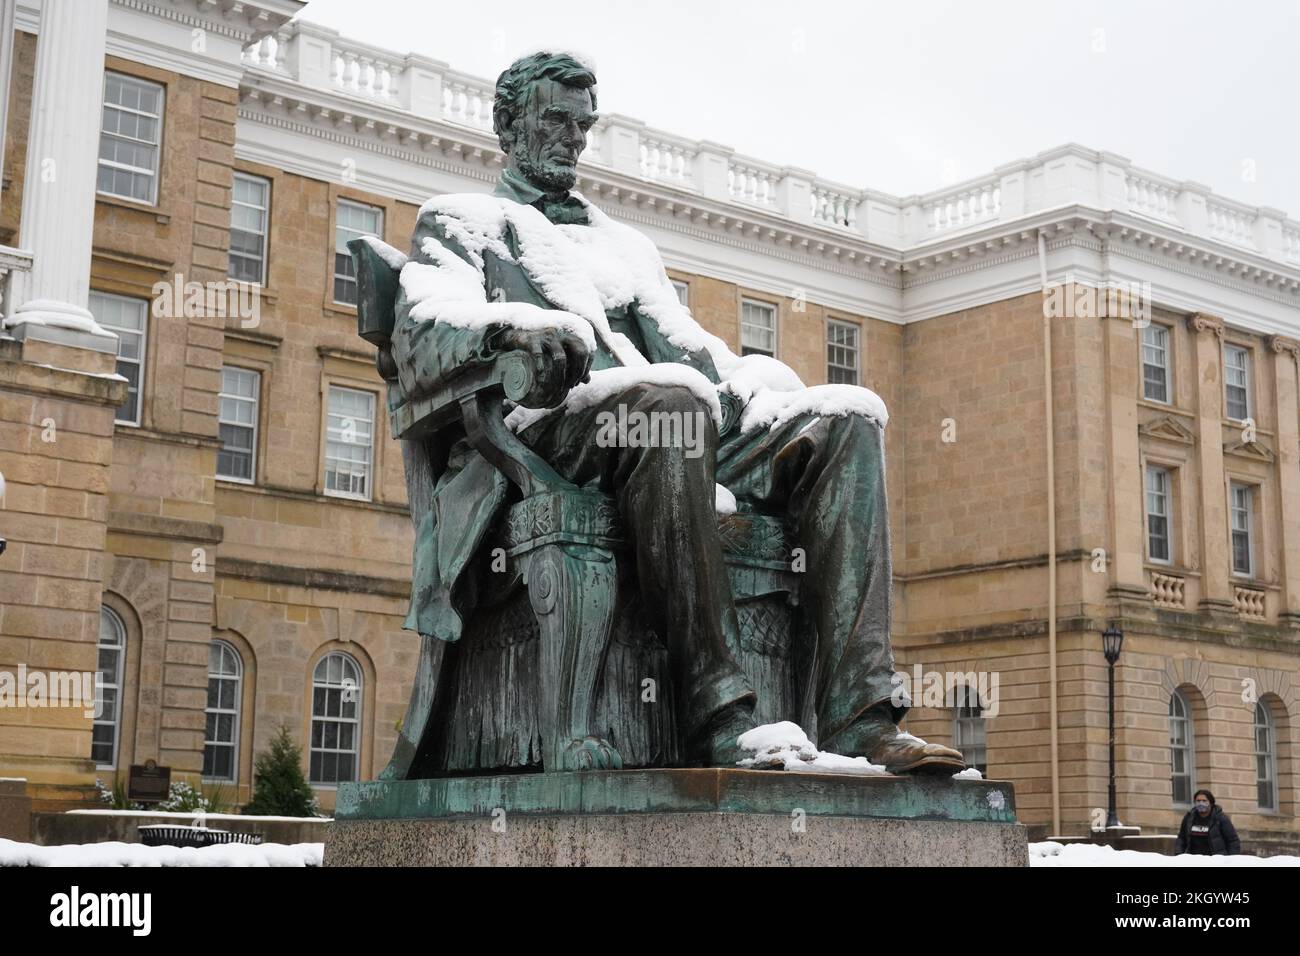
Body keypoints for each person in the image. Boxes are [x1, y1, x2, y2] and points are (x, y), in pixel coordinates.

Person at [387, 50, 966, 773]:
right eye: (556, 120)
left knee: (845, 419)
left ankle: (860, 716)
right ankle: (720, 711)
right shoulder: (464, 221)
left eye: (583, 124)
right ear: (509, 123)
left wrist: (759, 388)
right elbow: (425, 330)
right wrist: (511, 329)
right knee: (674, 403)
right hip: (547, 433)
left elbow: (695, 353)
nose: (573, 137)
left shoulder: (625, 245)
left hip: (675, 423)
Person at [1174, 789, 1241, 855]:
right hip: (1194, 858)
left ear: (1211, 803)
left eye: (1204, 801)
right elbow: (1182, 838)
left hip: (1216, 859)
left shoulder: (1220, 818)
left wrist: (1231, 859)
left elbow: (1233, 841)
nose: (1201, 803)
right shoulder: (1189, 817)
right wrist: (1178, 853)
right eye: (1198, 801)